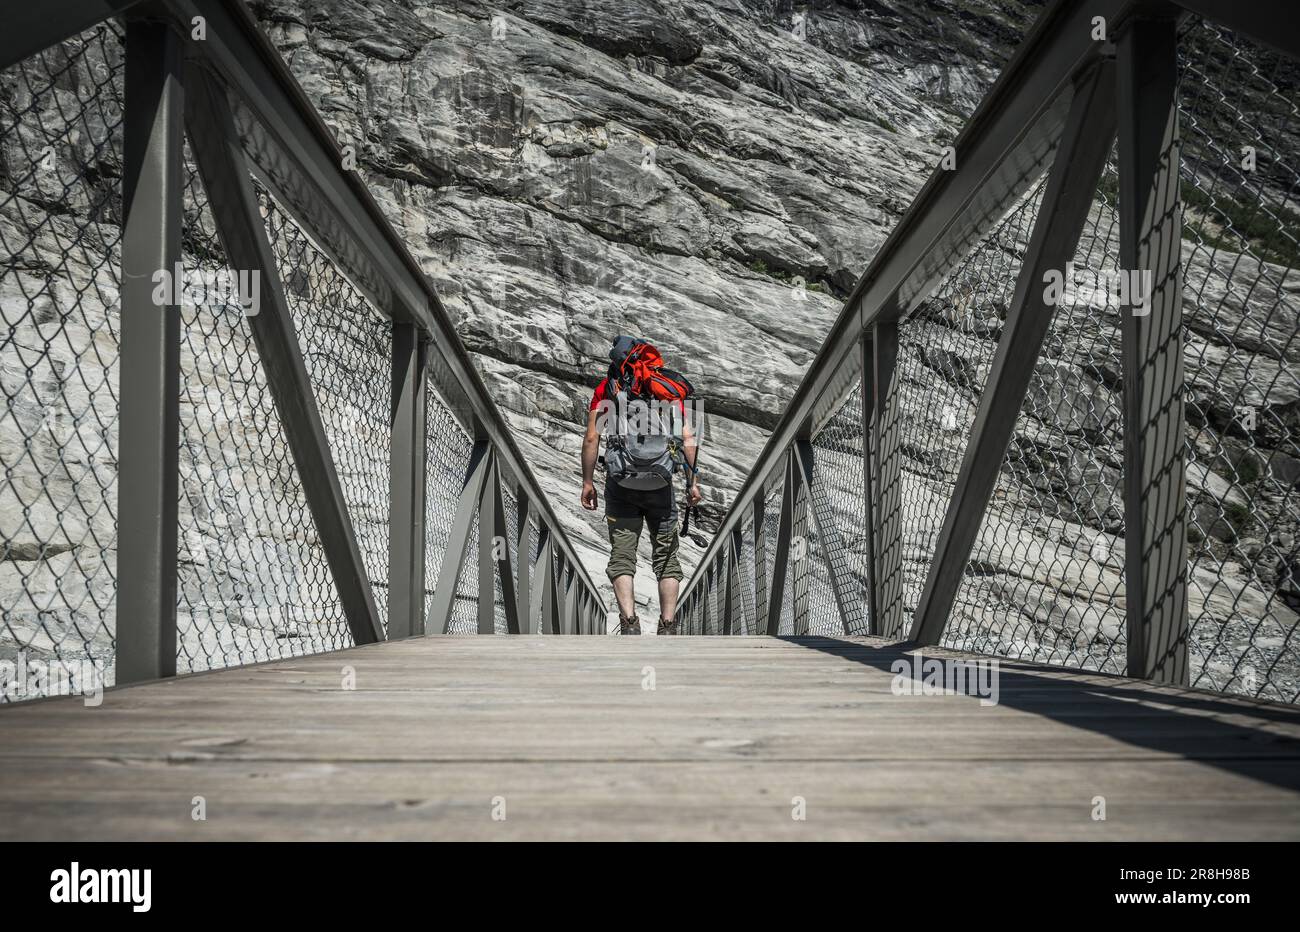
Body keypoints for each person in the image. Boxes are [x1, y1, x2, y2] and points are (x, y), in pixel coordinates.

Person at [580, 336, 701, 635]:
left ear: (616, 361)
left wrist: (587, 482)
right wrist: (692, 483)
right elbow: (687, 439)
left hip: (621, 483)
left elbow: (592, 438)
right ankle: (668, 626)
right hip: (660, 482)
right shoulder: (663, 388)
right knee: (667, 557)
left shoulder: (607, 389)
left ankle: (630, 624)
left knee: (622, 554)